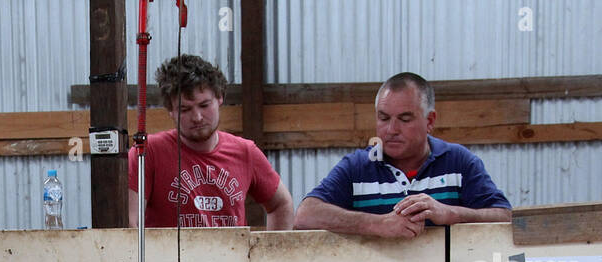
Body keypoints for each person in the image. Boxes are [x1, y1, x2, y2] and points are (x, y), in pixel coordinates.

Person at [293, 72, 511, 238]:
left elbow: (506, 217)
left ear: (430, 121)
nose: (391, 129)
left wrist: (453, 214)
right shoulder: (357, 167)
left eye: (405, 119)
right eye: (384, 118)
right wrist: (378, 224)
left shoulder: (459, 162)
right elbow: (305, 216)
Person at [128, 54, 294, 229]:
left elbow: (281, 204)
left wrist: (270, 253)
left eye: (204, 105)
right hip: (171, 256)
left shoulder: (245, 151)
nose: (197, 117)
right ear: (170, 110)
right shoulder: (148, 152)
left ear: (220, 97)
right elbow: (130, 222)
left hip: (231, 255)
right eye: (185, 109)